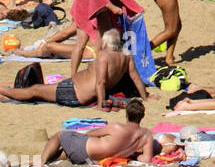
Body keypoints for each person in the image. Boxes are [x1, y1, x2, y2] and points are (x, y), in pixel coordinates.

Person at [0, 28, 149, 110]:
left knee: (35, 90)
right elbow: (135, 77)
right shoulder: (126, 55)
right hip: (74, 88)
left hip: (74, 92)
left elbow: (101, 82)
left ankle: (4, 91)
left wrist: (100, 104)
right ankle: (6, 94)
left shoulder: (104, 56)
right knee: (40, 90)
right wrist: (145, 97)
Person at [41, 98, 160, 167]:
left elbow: (89, 134)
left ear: (126, 115)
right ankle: (39, 160)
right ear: (142, 116)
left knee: (60, 135)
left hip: (84, 150)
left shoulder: (116, 127)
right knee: (65, 152)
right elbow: (147, 159)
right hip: (91, 160)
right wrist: (133, 154)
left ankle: (41, 162)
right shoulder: (147, 136)